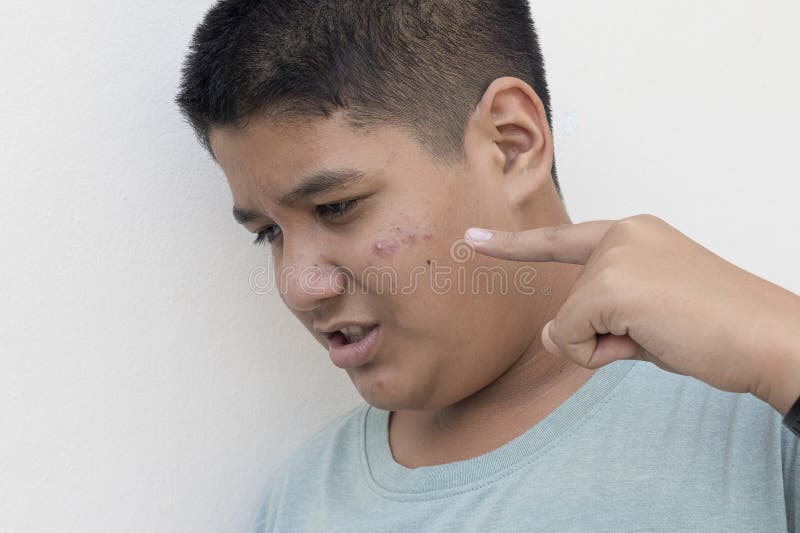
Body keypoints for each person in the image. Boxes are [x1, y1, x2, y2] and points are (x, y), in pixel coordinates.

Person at [175, 1, 800, 530]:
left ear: (510, 145)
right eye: (268, 234)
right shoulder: (302, 504)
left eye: (337, 206)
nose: (299, 286)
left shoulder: (758, 414)